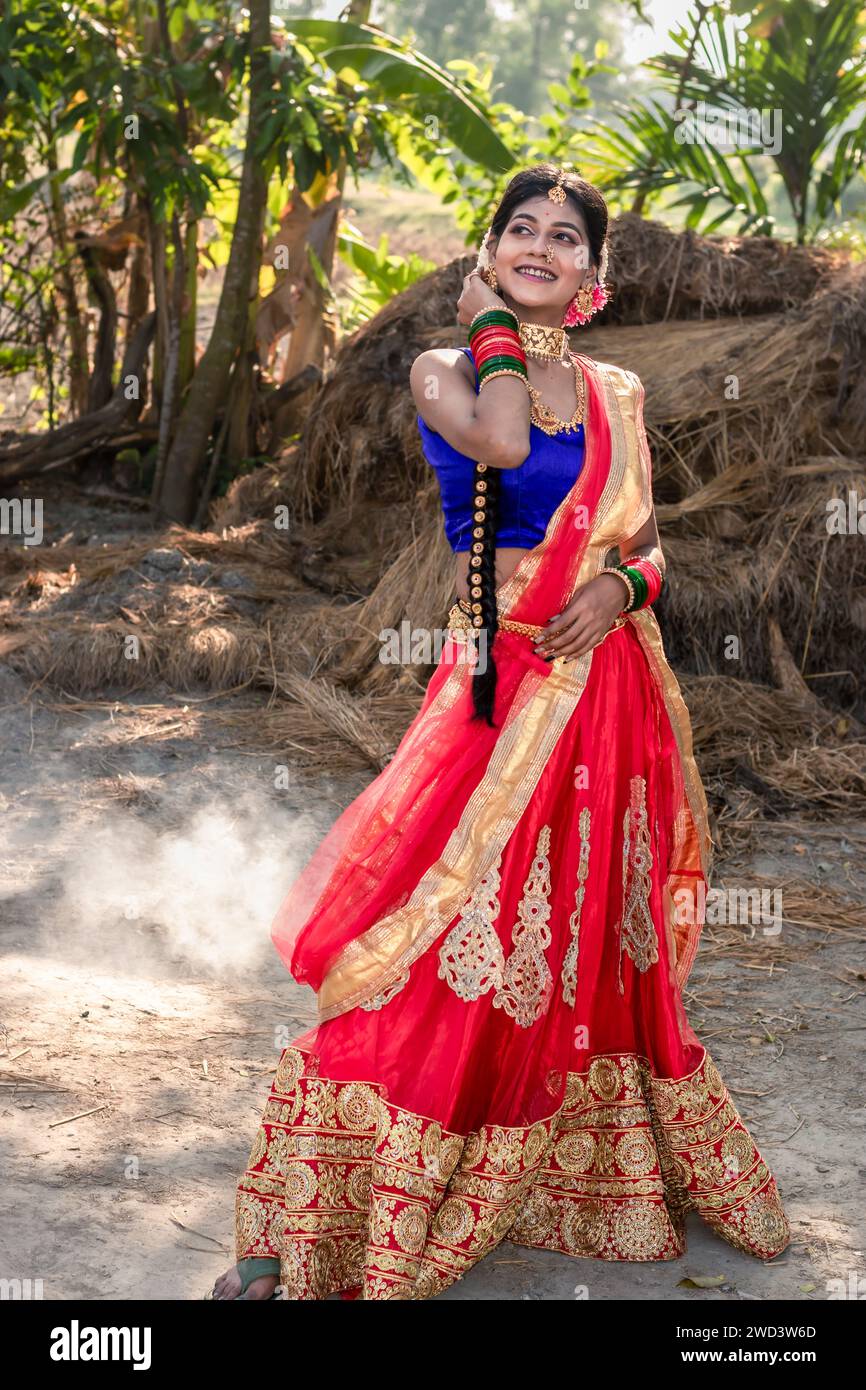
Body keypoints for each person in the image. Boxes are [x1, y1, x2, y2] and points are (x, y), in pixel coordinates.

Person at [208, 164, 790, 1302]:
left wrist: (622, 589)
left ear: (593, 273)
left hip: (606, 691)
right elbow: (511, 447)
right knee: (445, 919)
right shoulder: (445, 370)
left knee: (579, 928)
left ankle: (547, 1158)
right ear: (488, 251)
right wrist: (487, 319)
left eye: (562, 237)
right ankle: (319, 1202)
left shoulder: (619, 392)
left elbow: (650, 543)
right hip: (504, 686)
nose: (539, 246)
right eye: (516, 230)